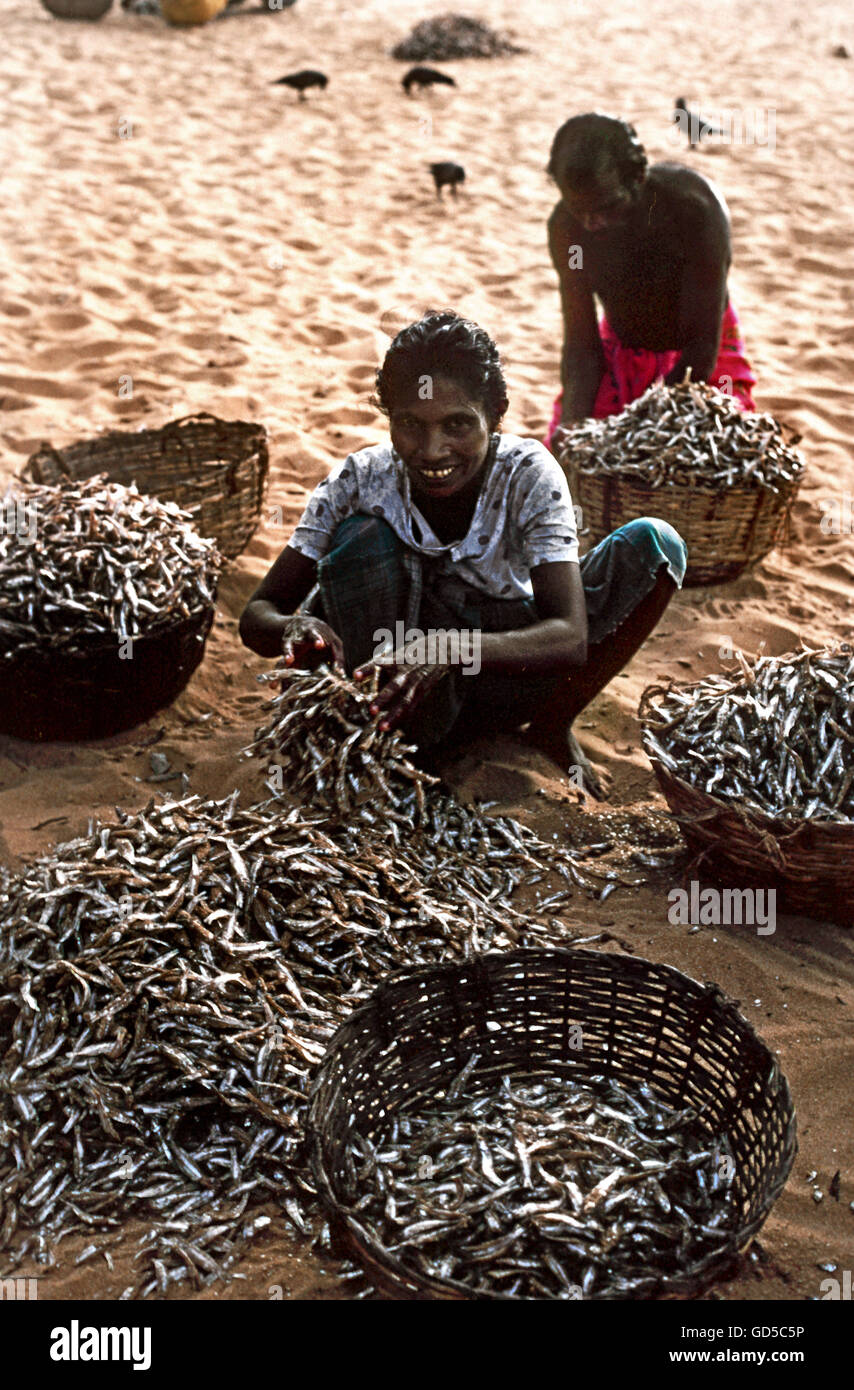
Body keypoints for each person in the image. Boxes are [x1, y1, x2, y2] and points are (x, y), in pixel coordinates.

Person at [239, 312, 687, 791]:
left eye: (457, 424)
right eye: (411, 424)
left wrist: (450, 648)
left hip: (496, 667)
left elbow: (568, 635)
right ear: (389, 419)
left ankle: (551, 728)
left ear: (493, 419)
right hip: (393, 678)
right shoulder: (360, 479)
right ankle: (391, 743)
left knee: (655, 544)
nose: (432, 451)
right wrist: (295, 626)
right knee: (361, 536)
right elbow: (257, 616)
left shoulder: (528, 474)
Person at [544, 113, 756, 452]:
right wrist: (573, 420)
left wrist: (643, 429)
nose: (592, 223)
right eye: (579, 210)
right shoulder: (569, 231)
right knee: (571, 454)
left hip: (702, 353)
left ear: (638, 178)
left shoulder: (693, 210)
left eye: (607, 208)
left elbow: (701, 349)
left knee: (709, 458)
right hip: (620, 352)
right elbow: (582, 345)